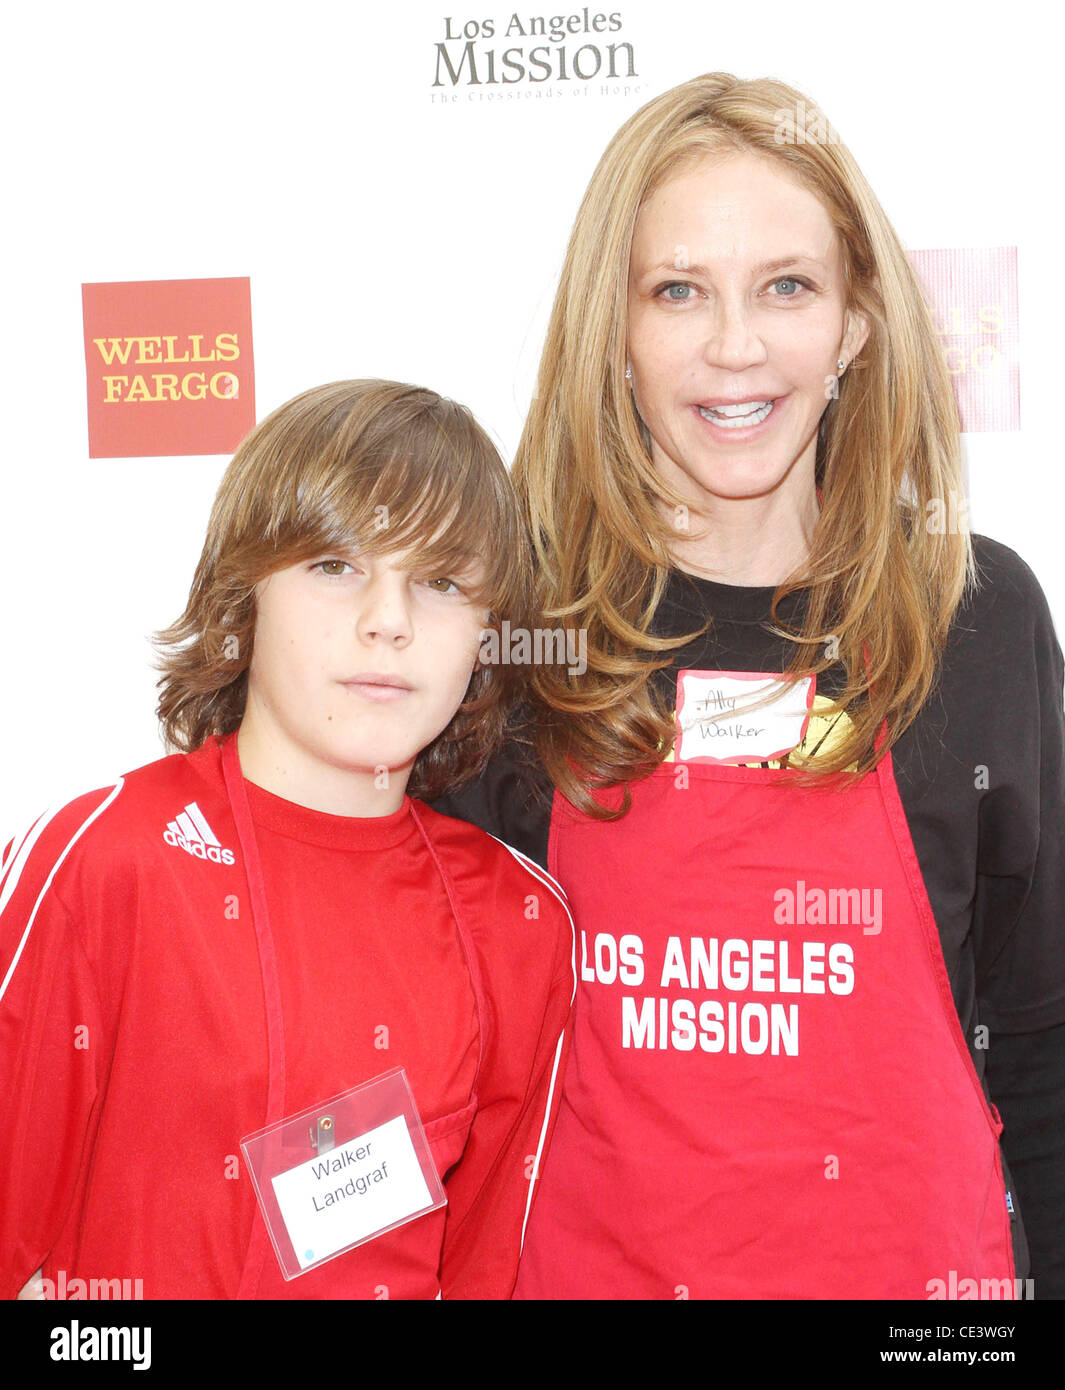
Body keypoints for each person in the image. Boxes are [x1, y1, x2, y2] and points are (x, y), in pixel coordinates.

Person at [433, 74, 1065, 1299]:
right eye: (678, 291)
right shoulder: (513, 643)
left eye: (788, 285)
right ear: (612, 336)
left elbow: (1039, 1054)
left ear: (858, 325)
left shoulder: (977, 619)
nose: (737, 345)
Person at [0, 379, 575, 1300]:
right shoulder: (108, 861)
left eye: (439, 582)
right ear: (244, 596)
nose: (388, 620)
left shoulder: (519, 918)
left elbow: (481, 1266)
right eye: (335, 564)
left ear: (487, 636)